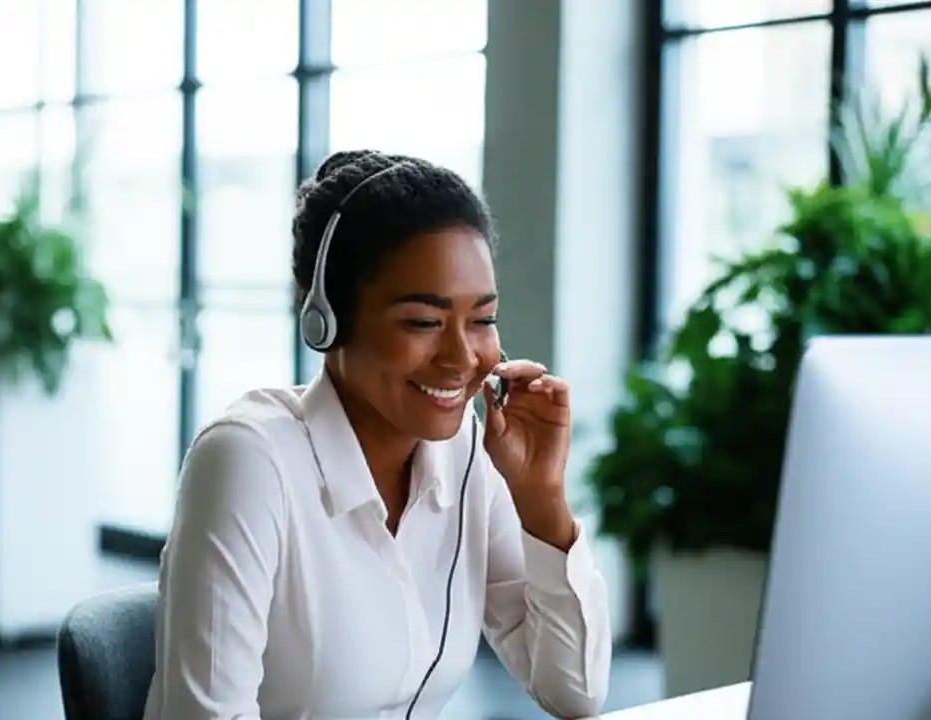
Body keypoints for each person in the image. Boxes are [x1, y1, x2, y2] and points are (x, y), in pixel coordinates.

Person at [143, 150, 611, 719]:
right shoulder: (248, 461)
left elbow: (573, 692)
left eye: (483, 320)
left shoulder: (466, 450)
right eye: (423, 323)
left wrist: (542, 503)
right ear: (327, 319)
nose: (463, 358)